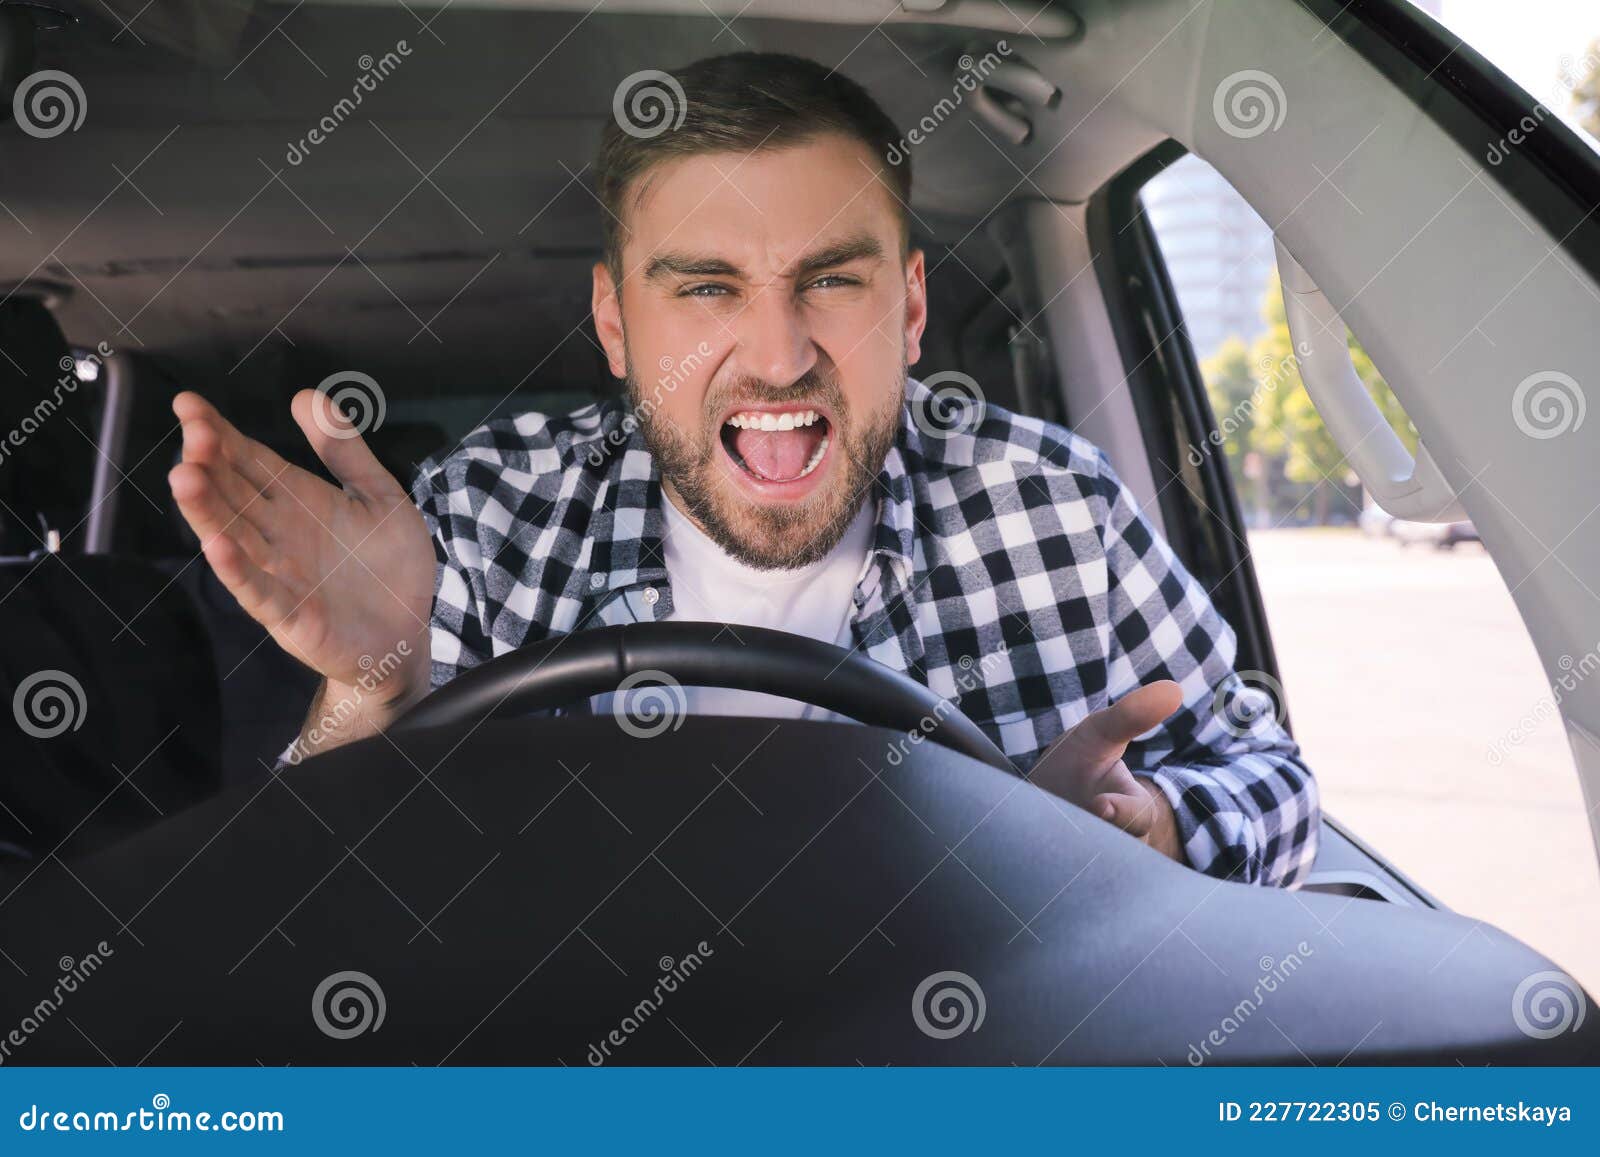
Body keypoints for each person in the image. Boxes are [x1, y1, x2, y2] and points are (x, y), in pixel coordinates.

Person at [167, 52, 1318, 886]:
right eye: (707, 287)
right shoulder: (482, 518)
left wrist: (1149, 826)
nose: (778, 356)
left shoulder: (1054, 508)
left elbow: (1269, 775)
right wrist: (369, 683)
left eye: (831, 278)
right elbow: (299, 888)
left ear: (909, 305)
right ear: (617, 326)